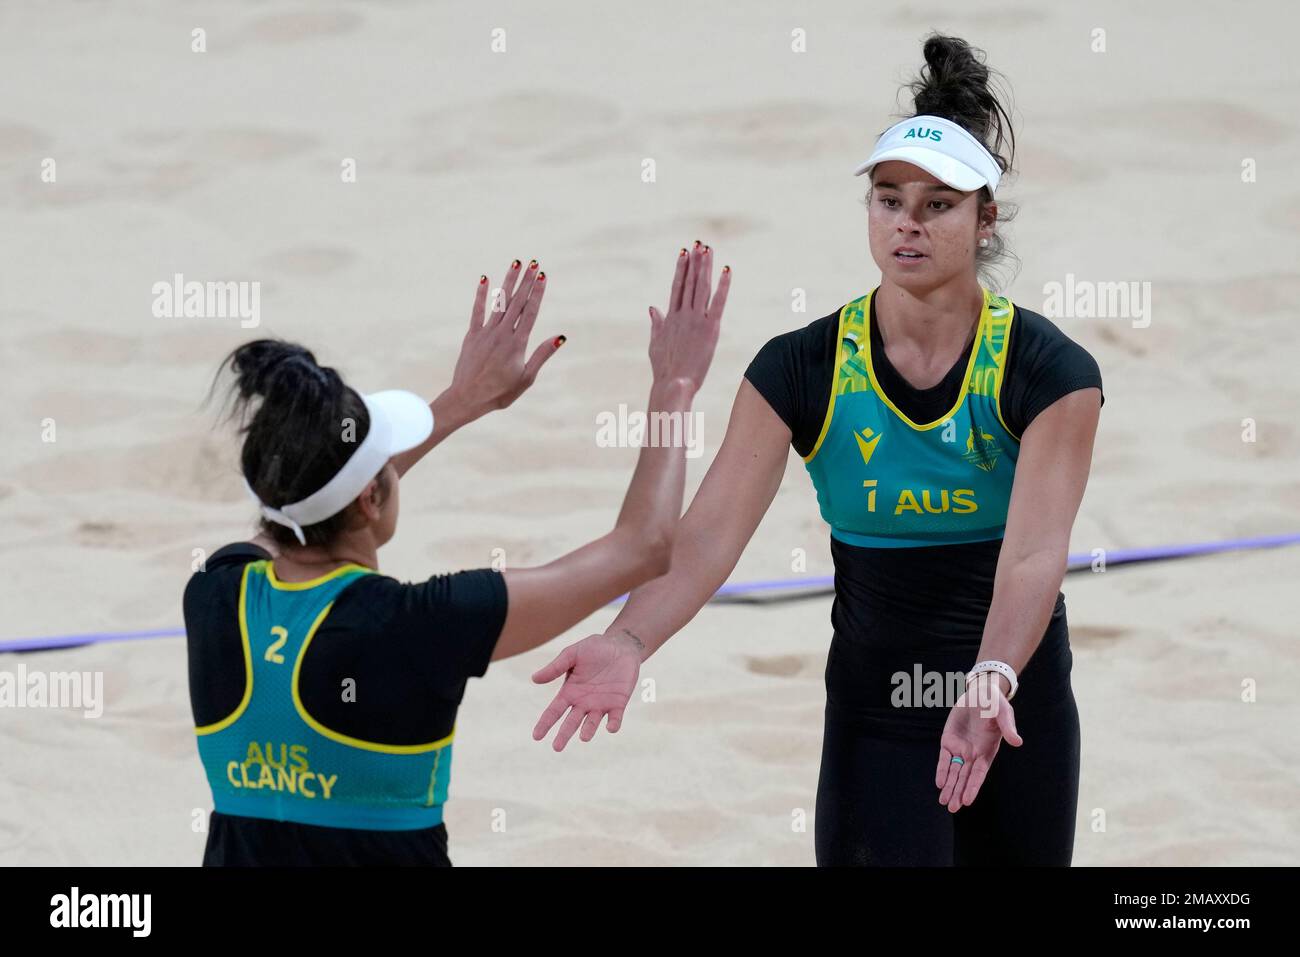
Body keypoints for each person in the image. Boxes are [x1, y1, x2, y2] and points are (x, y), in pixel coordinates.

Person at [532, 35, 1105, 866]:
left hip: (1011, 701)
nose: (907, 222)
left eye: (938, 204)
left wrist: (994, 678)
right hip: (877, 715)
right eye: (887, 199)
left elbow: (1033, 558)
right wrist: (629, 640)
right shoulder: (798, 367)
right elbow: (704, 538)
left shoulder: (1050, 372)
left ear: (985, 219)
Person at [184, 247, 730, 865]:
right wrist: (675, 385)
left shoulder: (214, 592)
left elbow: (298, 509)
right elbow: (644, 548)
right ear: (370, 498)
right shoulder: (419, 623)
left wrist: (464, 399)